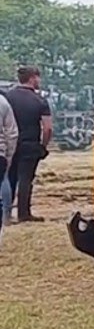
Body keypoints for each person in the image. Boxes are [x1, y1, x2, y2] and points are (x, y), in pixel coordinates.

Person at [6, 65, 51, 224]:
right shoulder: (39, 100)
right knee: (25, 179)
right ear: (32, 78)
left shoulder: (7, 97)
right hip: (30, 144)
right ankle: (23, 213)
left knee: (9, 178)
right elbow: (47, 127)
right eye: (38, 77)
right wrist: (43, 146)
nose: (39, 80)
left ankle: (5, 213)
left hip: (10, 142)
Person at [0, 91, 16, 233]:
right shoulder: (3, 103)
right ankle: (6, 215)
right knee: (3, 180)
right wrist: (8, 155)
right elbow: (11, 133)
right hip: (0, 153)